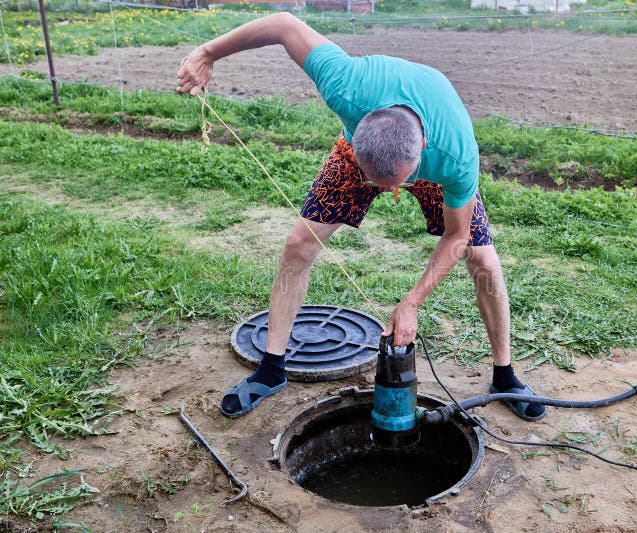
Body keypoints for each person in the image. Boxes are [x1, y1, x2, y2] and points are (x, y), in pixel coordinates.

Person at [176, 12, 546, 422]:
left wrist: (412, 302)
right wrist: (208, 52)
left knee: (482, 259)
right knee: (299, 244)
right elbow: (283, 24)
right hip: (372, 150)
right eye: (378, 183)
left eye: (394, 185)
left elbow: (456, 237)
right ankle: (270, 370)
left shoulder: (455, 156)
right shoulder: (345, 85)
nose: (389, 194)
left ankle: (505, 375)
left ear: (421, 149)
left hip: (429, 161)